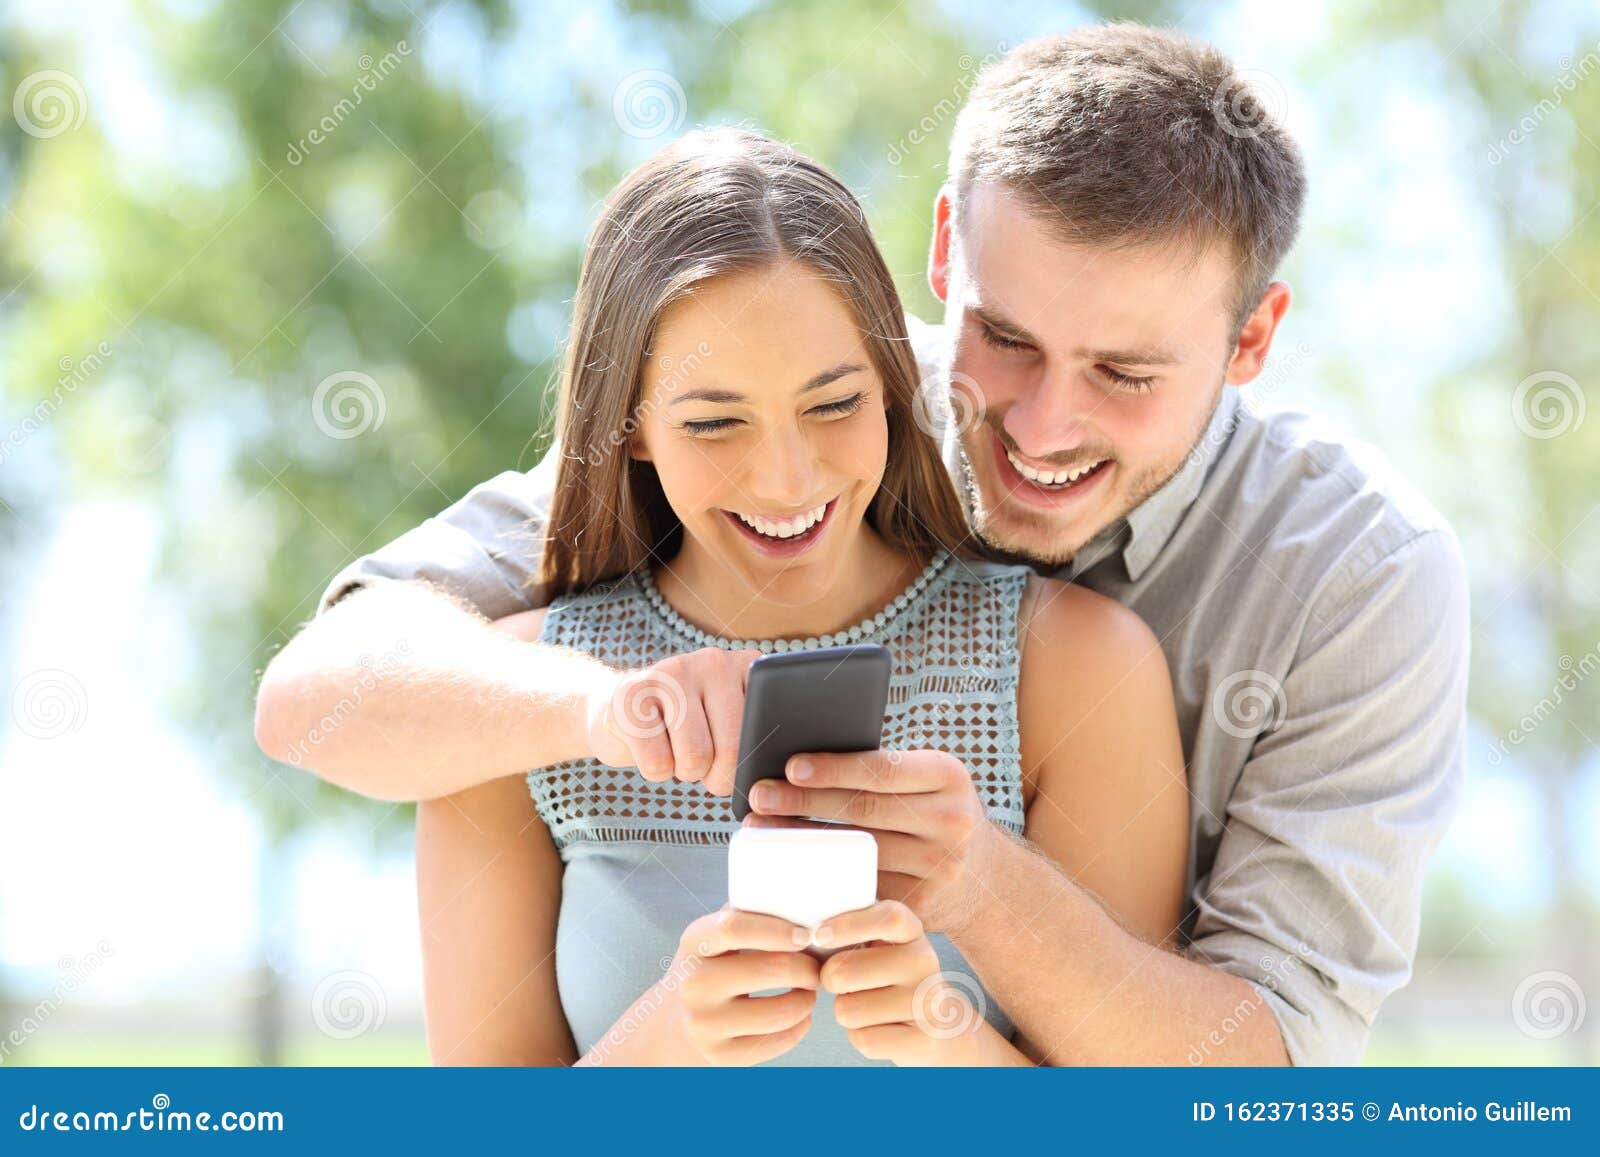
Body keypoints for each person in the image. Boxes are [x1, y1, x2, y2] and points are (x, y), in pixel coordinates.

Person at [255, 24, 1469, 1066]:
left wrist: (975, 904)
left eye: (1124, 372)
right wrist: (605, 712)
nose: (1041, 426)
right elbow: (319, 694)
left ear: (1252, 339)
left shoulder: (1357, 579)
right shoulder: (829, 402)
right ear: (944, 256)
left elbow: (1248, 1095)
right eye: (1004, 336)